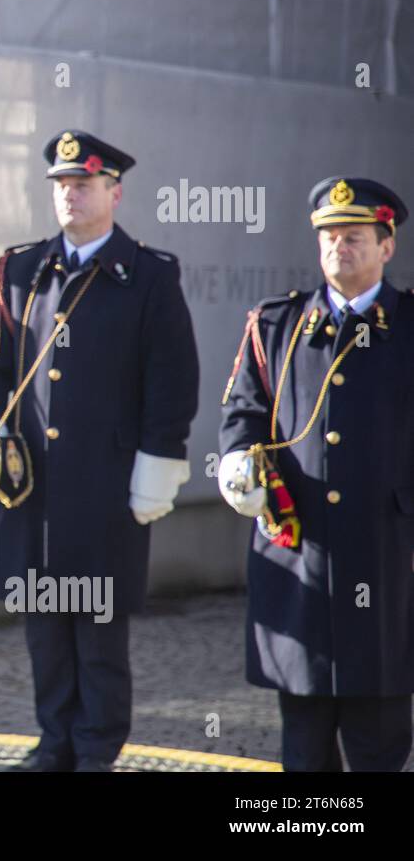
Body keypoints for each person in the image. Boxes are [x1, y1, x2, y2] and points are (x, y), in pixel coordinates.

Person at [0, 130, 199, 771]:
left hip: (106, 485)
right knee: (44, 627)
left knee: (97, 631)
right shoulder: (21, 268)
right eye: (62, 185)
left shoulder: (149, 275)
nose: (70, 194)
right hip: (31, 486)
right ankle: (55, 741)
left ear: (114, 192)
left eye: (84, 184)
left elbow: (172, 379)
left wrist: (158, 464)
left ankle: (96, 747)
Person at [218, 176, 413, 772]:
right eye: (329, 236)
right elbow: (244, 411)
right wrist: (237, 462)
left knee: (376, 728)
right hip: (296, 549)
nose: (339, 248)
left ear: (387, 246)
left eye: (355, 237)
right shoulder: (276, 324)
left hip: (385, 553)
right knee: (302, 735)